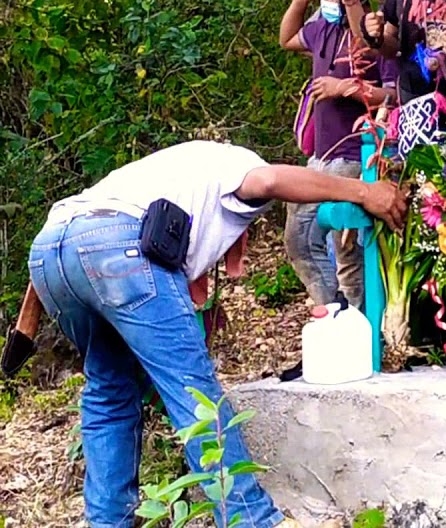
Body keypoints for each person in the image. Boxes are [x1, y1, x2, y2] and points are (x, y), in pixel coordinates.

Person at [26, 141, 406, 528]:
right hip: (117, 248)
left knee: (109, 392)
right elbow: (272, 178)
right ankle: (251, 519)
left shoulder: (163, 176)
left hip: (48, 253)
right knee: (193, 392)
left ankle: (107, 522)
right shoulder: (235, 164)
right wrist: (363, 191)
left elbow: (169, 280)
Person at [279, 0, 398, 310]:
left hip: (355, 155)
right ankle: (336, 313)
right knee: (301, 239)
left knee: (344, 248)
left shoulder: (374, 37)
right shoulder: (322, 30)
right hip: (321, 155)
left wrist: (345, 87)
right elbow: (287, 39)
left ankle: (356, 324)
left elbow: (393, 94)